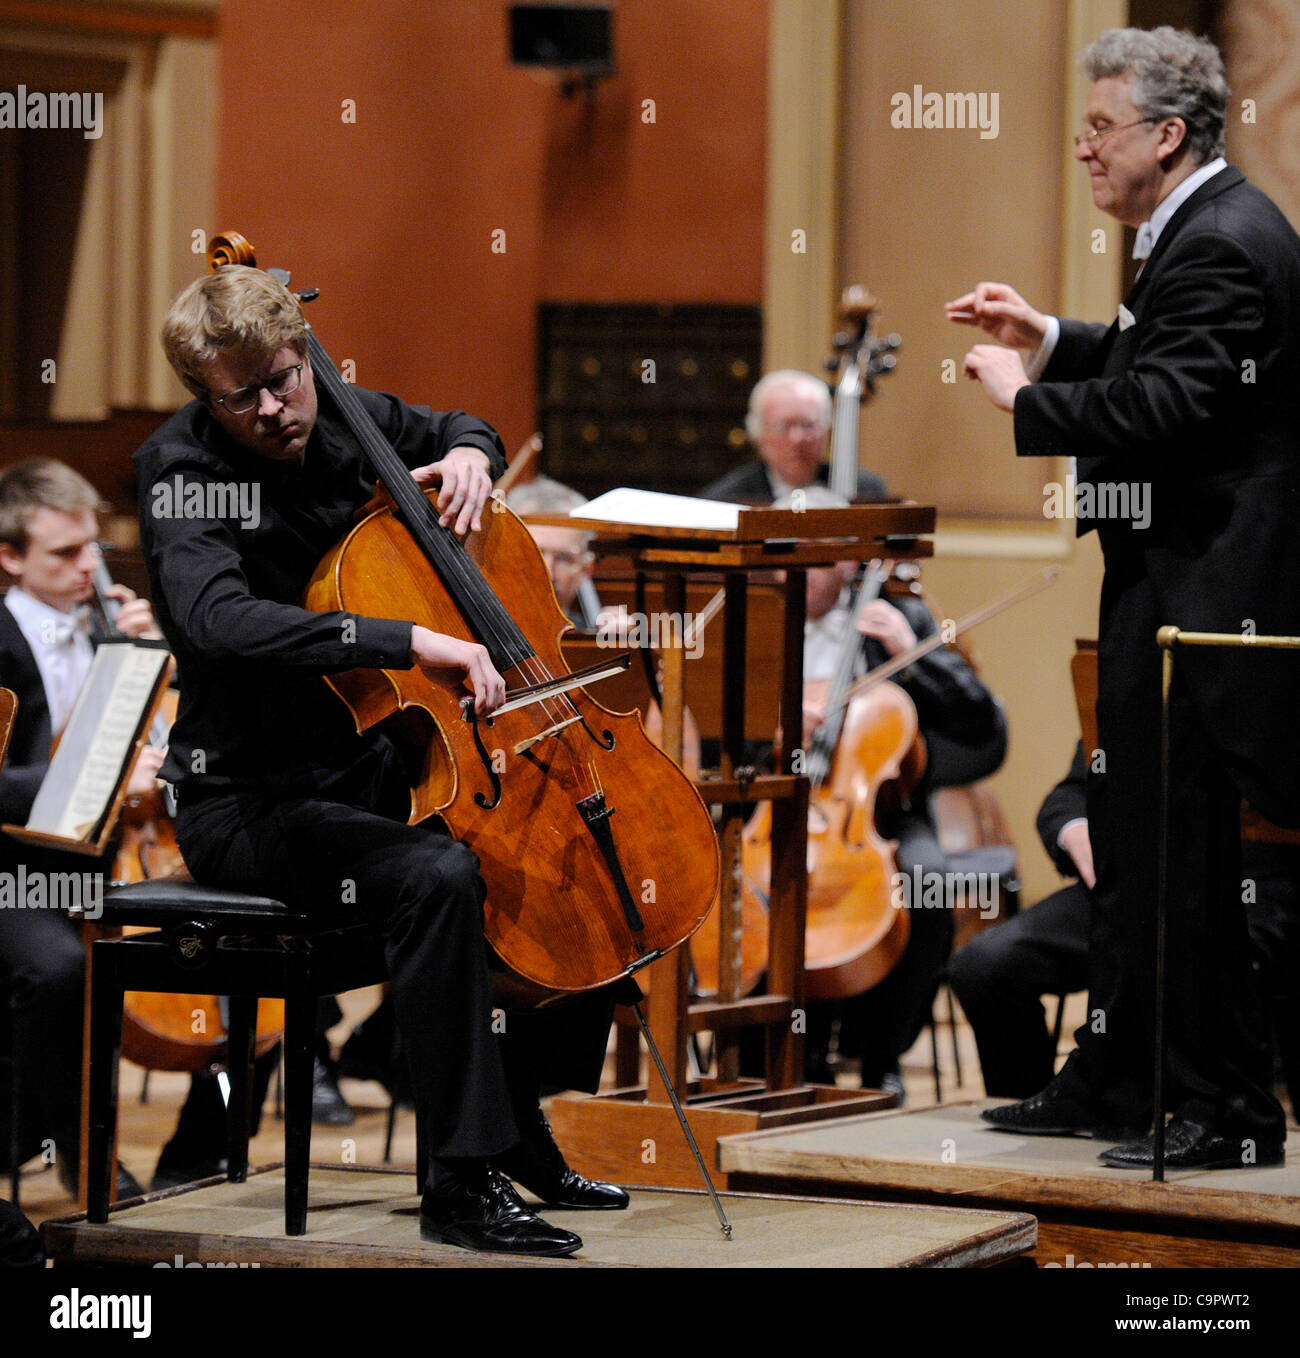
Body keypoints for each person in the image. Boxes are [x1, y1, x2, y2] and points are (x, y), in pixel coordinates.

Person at [135, 264, 626, 1256]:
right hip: (250, 796)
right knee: (438, 875)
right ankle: (459, 1179)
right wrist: (404, 639)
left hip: (371, 768)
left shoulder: (341, 408)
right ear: (205, 395)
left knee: (560, 848)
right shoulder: (182, 471)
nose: (276, 408)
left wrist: (473, 457)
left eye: (286, 377)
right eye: (244, 395)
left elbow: (457, 422)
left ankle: (522, 1120)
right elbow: (215, 619)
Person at [949, 26, 1300, 1168]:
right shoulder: (1203, 229)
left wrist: (1021, 400)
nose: (1084, 149)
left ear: (1167, 132)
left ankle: (1228, 1110)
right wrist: (1049, 339)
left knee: (1187, 859)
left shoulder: (1223, 242)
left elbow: (1165, 410)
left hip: (1208, 598)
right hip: (1171, 585)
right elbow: (1157, 360)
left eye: (1101, 129)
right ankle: (1117, 1073)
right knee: (1143, 843)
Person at [951, 740, 1300, 1112]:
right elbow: (1072, 792)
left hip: (1256, 879)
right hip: (1137, 881)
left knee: (1197, 963)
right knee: (985, 965)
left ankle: (1218, 1121)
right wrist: (1076, 831)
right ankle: (1042, 1117)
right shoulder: (1143, 684)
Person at [0, 458, 161, 1199]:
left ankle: (156, 1150)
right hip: (12, 866)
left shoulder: (108, 632)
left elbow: (162, 745)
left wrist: (150, 656)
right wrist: (90, 782)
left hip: (102, 857)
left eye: (91, 547)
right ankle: (39, 1141)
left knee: (249, 937)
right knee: (62, 969)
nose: (87, 566)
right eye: (65, 554)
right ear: (9, 556)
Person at [700, 370, 887, 503]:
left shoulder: (868, 491)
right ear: (758, 435)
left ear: (826, 431)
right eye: (782, 426)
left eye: (808, 425)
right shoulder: (727, 500)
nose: (798, 439)